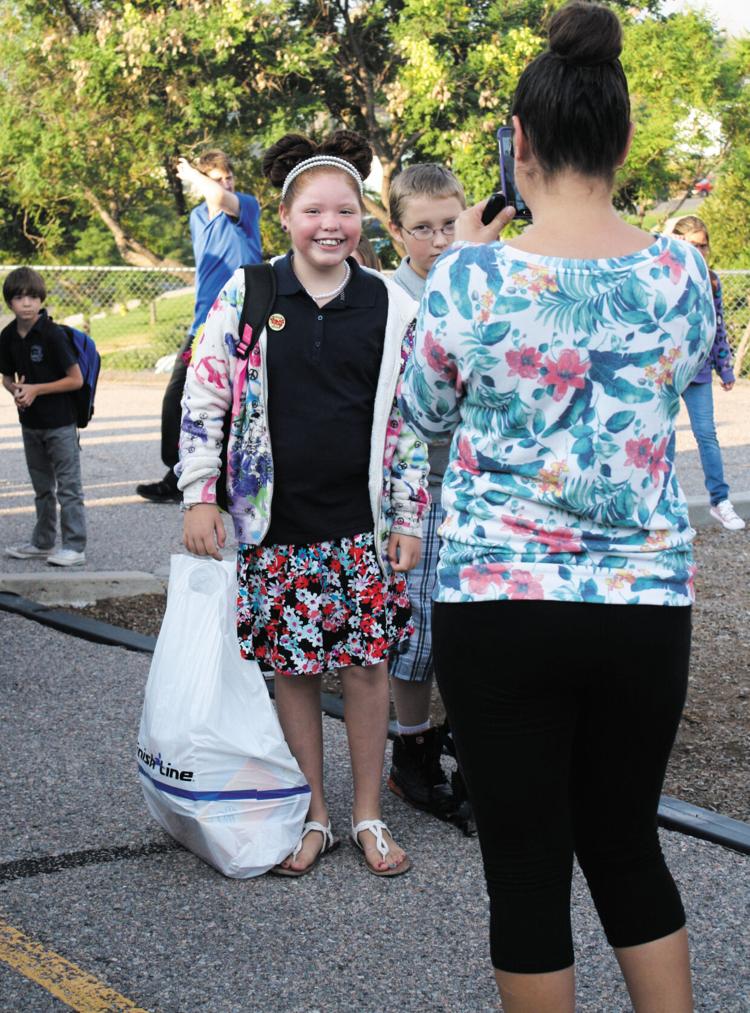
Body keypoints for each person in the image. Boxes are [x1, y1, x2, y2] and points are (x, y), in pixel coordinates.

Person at [400, 3, 715, 1010]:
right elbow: (682, 376)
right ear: (623, 140)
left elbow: (426, 408)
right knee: (625, 842)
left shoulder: (470, 275)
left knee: (527, 863)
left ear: (519, 145)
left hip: (499, 602)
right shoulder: (681, 271)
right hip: (643, 606)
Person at [178, 129, 429, 878]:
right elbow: (206, 395)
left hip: (364, 529)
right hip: (272, 527)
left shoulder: (388, 303)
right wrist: (199, 494)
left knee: (366, 668)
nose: (331, 224)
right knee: (290, 668)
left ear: (363, 220)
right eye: (314, 209)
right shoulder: (250, 293)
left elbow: (411, 419)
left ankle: (367, 814)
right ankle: (314, 810)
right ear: (284, 216)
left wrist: (411, 514)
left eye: (346, 211)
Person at [385, 163, 469, 817]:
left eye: (450, 223)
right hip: (421, 485)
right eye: (423, 228)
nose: (439, 239)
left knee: (476, 628)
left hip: (480, 482)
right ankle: (410, 751)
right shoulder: (392, 302)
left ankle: (472, 749)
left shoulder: (481, 286)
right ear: (396, 231)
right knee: (415, 632)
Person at [136, 149, 262, 503]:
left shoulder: (246, 208)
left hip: (244, 319)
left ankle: (233, 480)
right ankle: (178, 472)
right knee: (176, 398)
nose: (226, 184)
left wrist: (191, 174)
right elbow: (211, 200)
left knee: (237, 402)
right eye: (218, 178)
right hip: (204, 324)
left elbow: (222, 199)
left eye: (229, 177)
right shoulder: (197, 216)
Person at [1, 267, 87, 566]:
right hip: (31, 425)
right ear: (9, 302)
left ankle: (75, 547)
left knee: (69, 488)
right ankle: (43, 542)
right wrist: (17, 390)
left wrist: (36, 389)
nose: (26, 303)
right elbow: (6, 377)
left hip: (60, 424)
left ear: (41, 299)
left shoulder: (52, 334)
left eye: (32, 297)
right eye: (19, 297)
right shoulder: (8, 335)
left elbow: (75, 380)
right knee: (41, 489)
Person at [666, 215, 744, 531]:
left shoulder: (711, 280)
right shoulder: (661, 273)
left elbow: (719, 325)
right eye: (691, 244)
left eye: (702, 244)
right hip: (667, 370)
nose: (698, 250)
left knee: (706, 434)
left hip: (698, 371)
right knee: (663, 437)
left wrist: (724, 368)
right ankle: (665, 503)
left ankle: (719, 500)